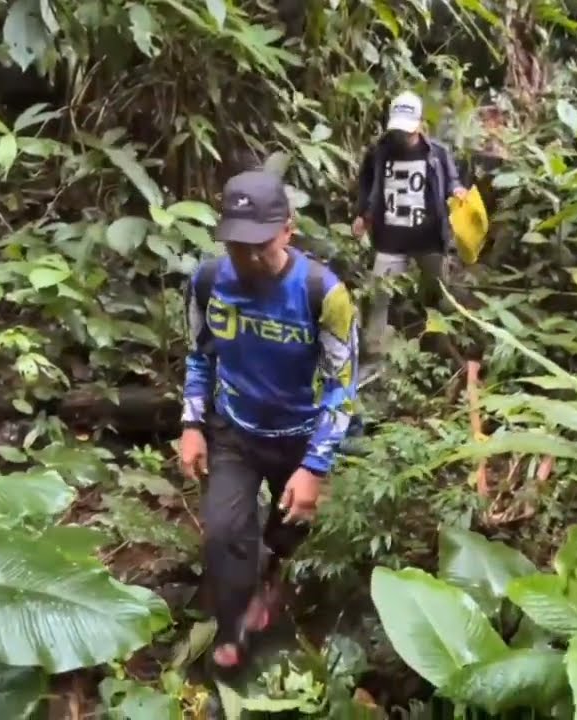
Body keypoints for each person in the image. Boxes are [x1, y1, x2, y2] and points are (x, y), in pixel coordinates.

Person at [177, 169, 359, 670]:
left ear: (287, 229)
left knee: (289, 528)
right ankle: (233, 625)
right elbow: (198, 356)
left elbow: (343, 389)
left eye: (259, 243)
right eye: (237, 245)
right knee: (222, 532)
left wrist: (315, 468)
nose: (249, 256)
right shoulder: (209, 281)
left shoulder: (324, 293)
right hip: (234, 428)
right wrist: (192, 425)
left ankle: (274, 577)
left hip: (299, 433)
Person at [352, 90, 468, 360]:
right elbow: (368, 186)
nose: (402, 136)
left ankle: (440, 345)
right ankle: (374, 354)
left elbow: (452, 181)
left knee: (439, 292)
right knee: (380, 295)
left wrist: (458, 192)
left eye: (407, 129)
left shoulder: (437, 153)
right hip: (390, 238)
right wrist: (363, 215)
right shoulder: (379, 152)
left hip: (428, 239)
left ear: (418, 124)